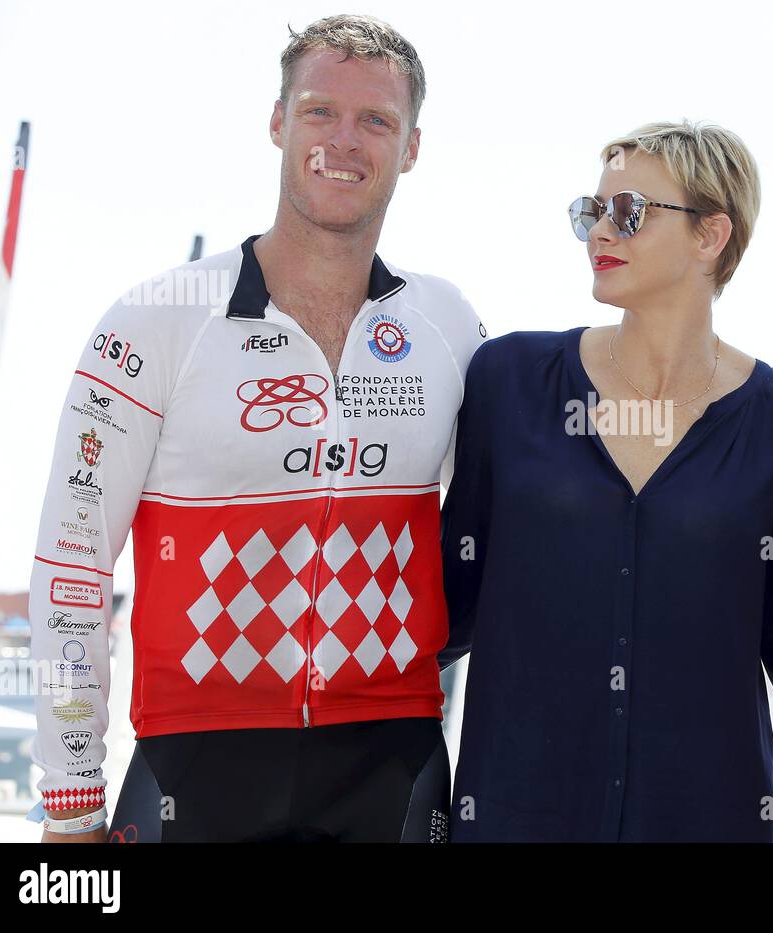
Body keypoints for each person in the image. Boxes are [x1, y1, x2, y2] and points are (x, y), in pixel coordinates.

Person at [29, 14, 483, 842]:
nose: (344, 140)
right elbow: (73, 563)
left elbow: (511, 525)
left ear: (412, 146)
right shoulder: (157, 319)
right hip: (194, 766)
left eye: (376, 120)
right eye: (319, 111)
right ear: (278, 122)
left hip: (393, 766)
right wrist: (69, 797)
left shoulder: (447, 324)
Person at [439, 121, 773, 842]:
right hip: (513, 819)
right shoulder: (508, 382)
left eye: (627, 211)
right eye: (588, 211)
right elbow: (442, 608)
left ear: (710, 235)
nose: (600, 229)